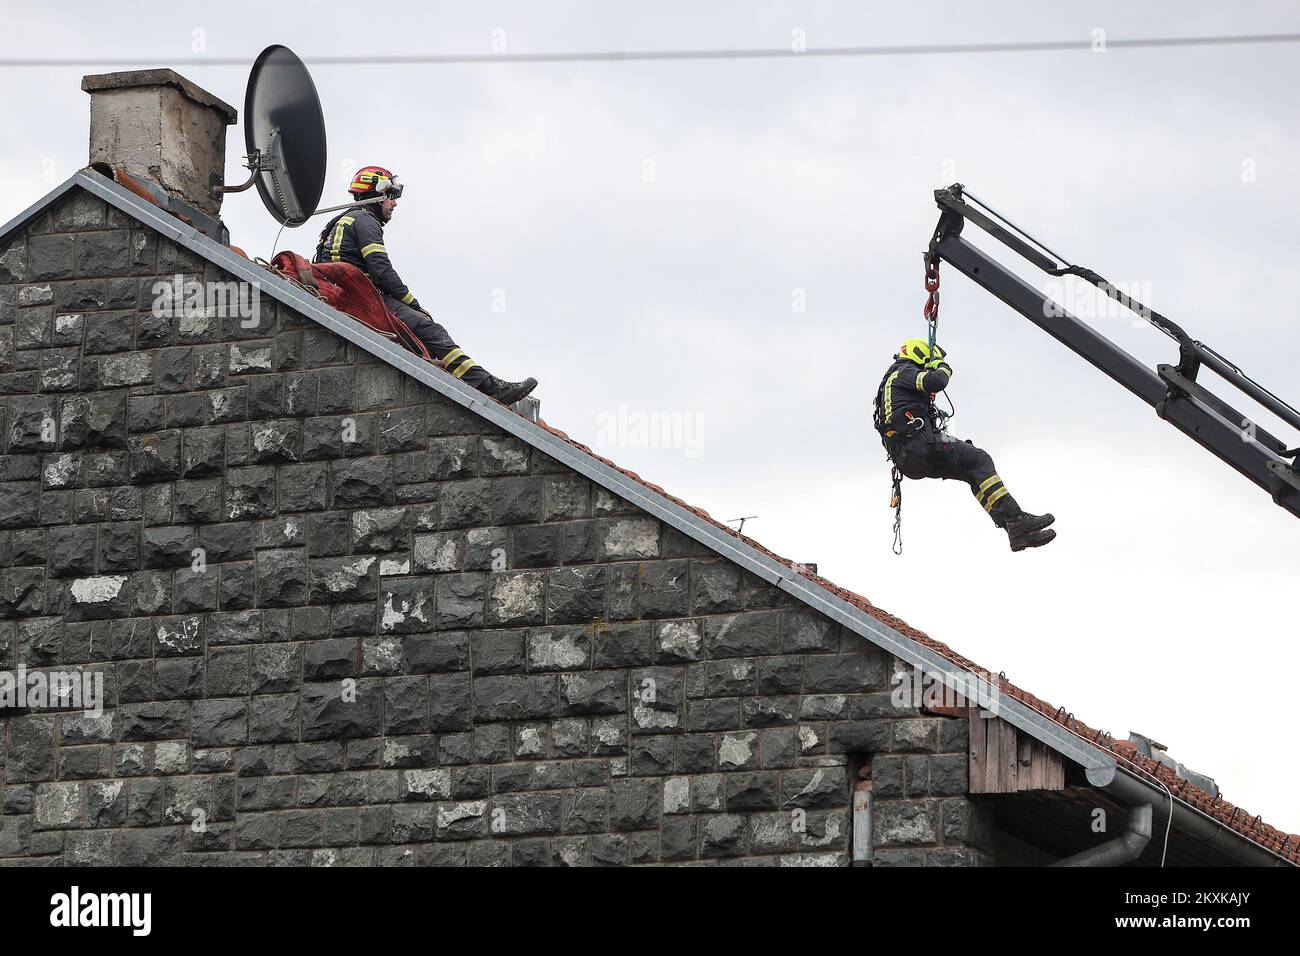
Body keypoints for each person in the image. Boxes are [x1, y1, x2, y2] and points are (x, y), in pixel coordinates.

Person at [315, 165, 538, 405]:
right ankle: (491, 388)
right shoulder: (366, 221)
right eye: (390, 195)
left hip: (345, 295)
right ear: (375, 193)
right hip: (365, 298)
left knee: (419, 334)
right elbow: (382, 270)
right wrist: (414, 304)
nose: (394, 203)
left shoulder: (338, 223)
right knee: (431, 330)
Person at [873, 338, 1056, 551]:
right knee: (979, 459)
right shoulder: (904, 371)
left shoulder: (894, 380)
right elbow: (937, 381)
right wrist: (942, 367)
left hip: (910, 456)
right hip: (919, 445)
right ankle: (1015, 519)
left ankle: (1014, 530)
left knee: (971, 471)